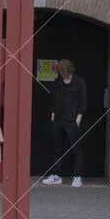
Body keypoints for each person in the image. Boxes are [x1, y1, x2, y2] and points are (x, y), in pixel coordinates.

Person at [43, 58, 87, 187]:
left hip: (72, 120)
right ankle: (56, 176)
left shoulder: (79, 82)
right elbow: (55, 99)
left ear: (69, 70)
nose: (63, 75)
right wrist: (53, 113)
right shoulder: (59, 83)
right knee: (57, 148)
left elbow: (83, 101)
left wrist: (79, 118)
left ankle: (77, 177)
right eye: (61, 73)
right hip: (58, 120)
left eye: (64, 72)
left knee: (75, 149)